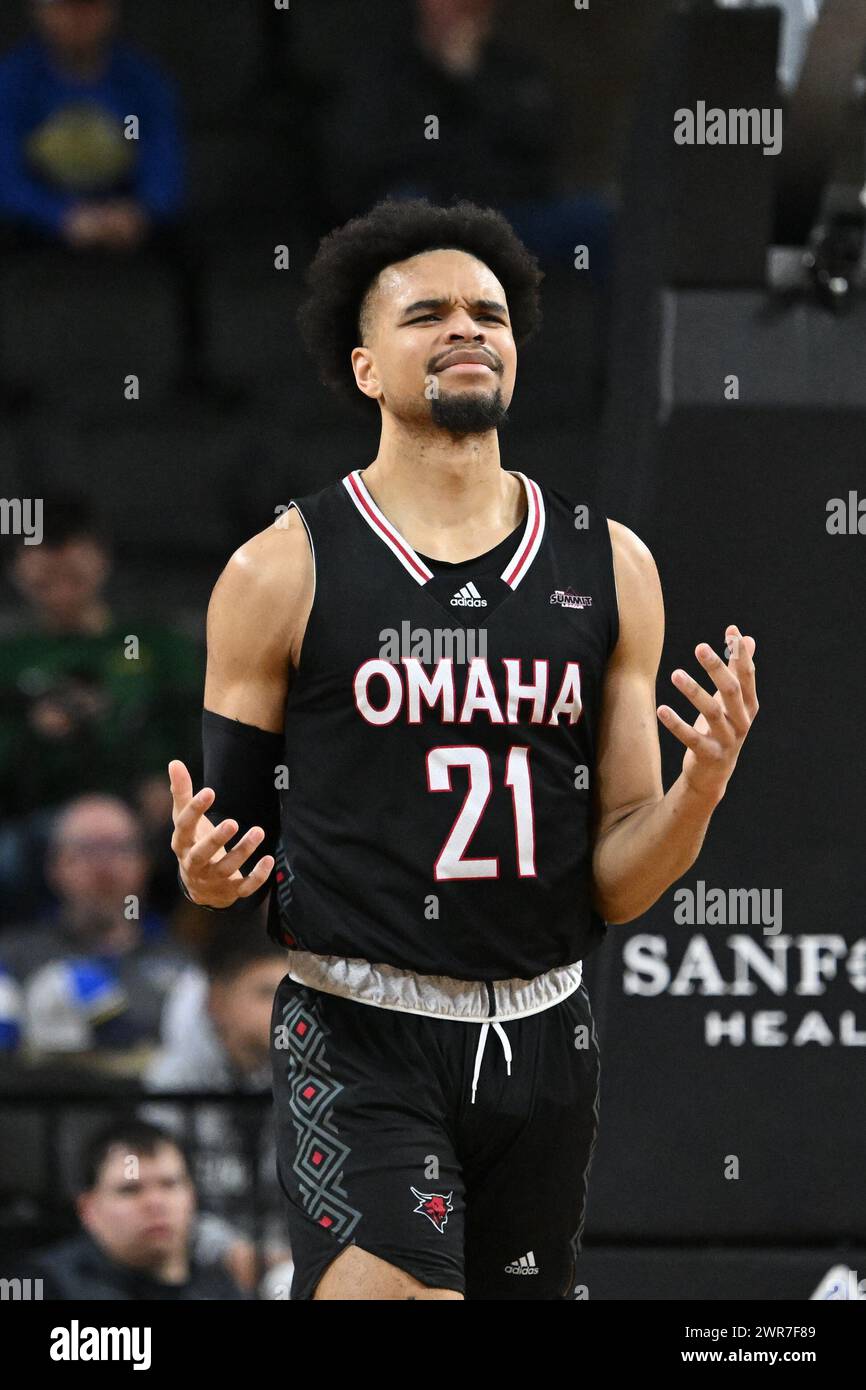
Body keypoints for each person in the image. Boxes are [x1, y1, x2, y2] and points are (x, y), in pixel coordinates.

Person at [168, 197, 759, 1300]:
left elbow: (619, 882)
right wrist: (205, 871)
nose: (466, 328)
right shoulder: (281, 568)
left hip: (543, 1032)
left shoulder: (609, 560)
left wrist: (698, 791)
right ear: (363, 369)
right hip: (360, 1025)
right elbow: (227, 849)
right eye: (426, 313)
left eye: (487, 311)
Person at [0, 494, 203, 920]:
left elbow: (201, 727)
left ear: (101, 560)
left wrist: (164, 777)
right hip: (36, 825)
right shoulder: (11, 658)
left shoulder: (156, 647)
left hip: (145, 819)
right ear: (18, 572)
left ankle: (163, 953)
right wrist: (32, 734)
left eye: (73, 577)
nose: (60, 594)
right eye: (44, 581)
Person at [141, 926, 292, 1292]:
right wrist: (226, 1249)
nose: (283, 1009)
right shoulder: (173, 1080)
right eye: (264, 993)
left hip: (290, 1261)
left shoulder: (308, 1076)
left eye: (289, 994)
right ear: (217, 1002)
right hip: (196, 1264)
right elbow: (156, 1192)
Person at [1, 793, 189, 1066]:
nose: (104, 866)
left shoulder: (183, 964)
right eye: (87, 849)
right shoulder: (14, 956)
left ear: (144, 865)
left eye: (121, 848)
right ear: (56, 867)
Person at [0, 0, 183, 250]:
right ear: (40, 10)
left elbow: (158, 157)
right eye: (65, 8)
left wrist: (142, 210)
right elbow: (7, 176)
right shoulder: (14, 84)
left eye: (90, 7)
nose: (78, 20)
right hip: (35, 231)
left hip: (125, 226)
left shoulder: (140, 85)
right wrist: (60, 216)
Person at [19, 1119, 248, 1299]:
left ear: (192, 1197)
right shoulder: (42, 1285)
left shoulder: (219, 1287)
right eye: (130, 1190)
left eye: (170, 1184)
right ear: (87, 1209)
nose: (155, 1203)